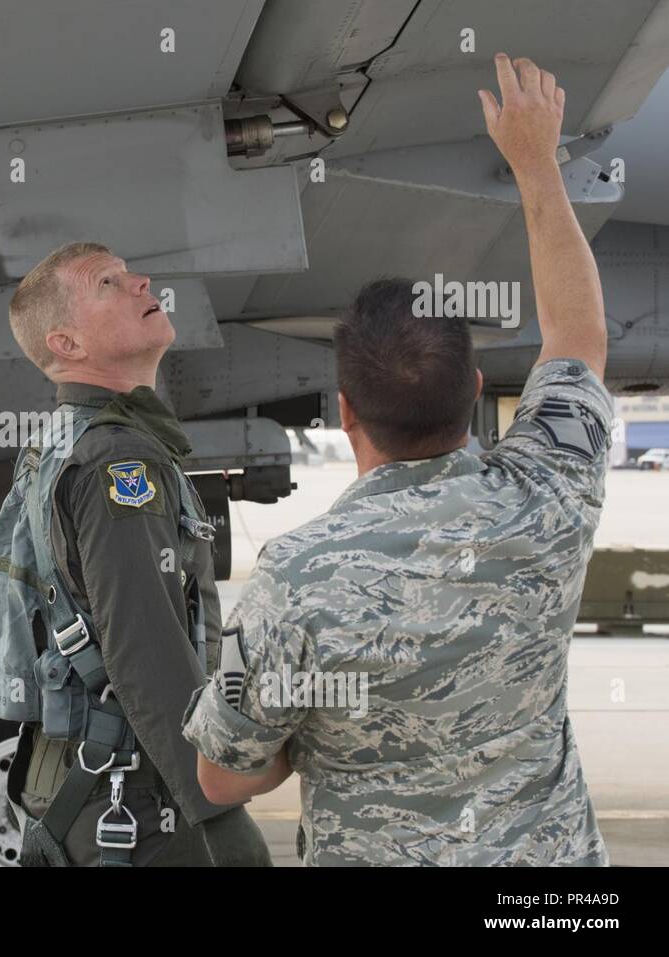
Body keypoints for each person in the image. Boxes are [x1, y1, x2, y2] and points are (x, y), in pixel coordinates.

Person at [182, 54, 611, 865]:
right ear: (476, 388)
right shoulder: (548, 497)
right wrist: (535, 162)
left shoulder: (297, 578)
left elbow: (221, 778)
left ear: (344, 411)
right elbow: (577, 339)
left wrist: (293, 735)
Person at [0, 241, 271, 866]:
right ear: (67, 344)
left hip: (88, 778)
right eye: (108, 284)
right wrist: (214, 802)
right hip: (134, 796)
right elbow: (143, 646)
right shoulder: (119, 459)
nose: (142, 282)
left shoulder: (67, 442)